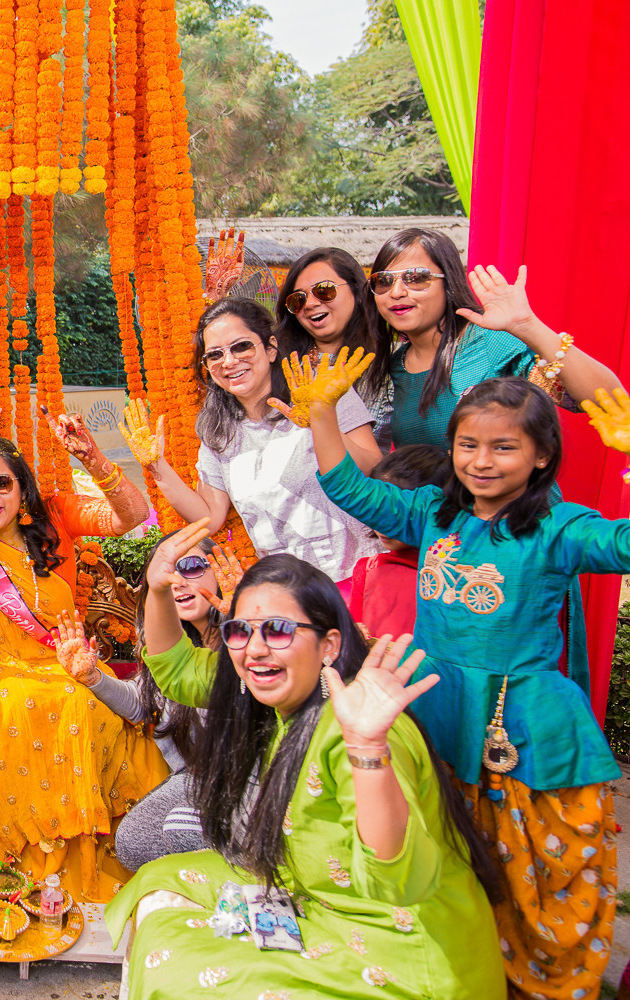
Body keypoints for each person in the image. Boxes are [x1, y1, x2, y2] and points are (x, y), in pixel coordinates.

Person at [310, 373, 630, 999]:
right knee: (457, 865)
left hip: (529, 736)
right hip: (443, 719)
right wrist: (322, 413)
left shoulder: (558, 528)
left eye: (503, 447)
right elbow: (349, 487)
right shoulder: (435, 513)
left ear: (542, 456)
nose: (481, 461)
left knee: (544, 879)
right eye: (468, 445)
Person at [104, 532, 506, 999]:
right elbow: (176, 669)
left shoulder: (361, 724)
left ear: (329, 645)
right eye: (240, 631)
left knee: (179, 973)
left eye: (278, 630)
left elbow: (398, 882)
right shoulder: (264, 688)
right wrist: (156, 590)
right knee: (158, 883)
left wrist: (368, 748)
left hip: (399, 950)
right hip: (313, 895)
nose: (256, 649)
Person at [0, 427, 168, 903]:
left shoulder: (57, 516)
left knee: (85, 698)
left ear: (23, 490)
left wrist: (94, 458)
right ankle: (20, 854)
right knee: (20, 702)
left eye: (1, 483)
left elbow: (134, 516)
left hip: (62, 657)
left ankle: (86, 850)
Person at [122, 296, 381, 593]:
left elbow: (373, 468)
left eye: (241, 346)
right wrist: (156, 466)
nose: (229, 361)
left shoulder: (320, 392)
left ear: (270, 348)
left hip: (360, 577)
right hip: (287, 592)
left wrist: (321, 422)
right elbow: (209, 518)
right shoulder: (219, 431)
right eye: (215, 355)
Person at [371, 228, 621, 449]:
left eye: (416, 278)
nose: (396, 292)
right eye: (383, 281)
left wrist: (529, 326)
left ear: (449, 283)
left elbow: (608, 401)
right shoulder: (395, 365)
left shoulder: (490, 343)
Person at [75, 534, 236, 873]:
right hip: (196, 778)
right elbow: (142, 702)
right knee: (133, 843)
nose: (178, 581)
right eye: (165, 575)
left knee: (183, 830)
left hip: (252, 777)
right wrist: (92, 677)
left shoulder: (253, 639)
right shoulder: (172, 647)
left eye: (190, 566)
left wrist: (244, 629)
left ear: (222, 570)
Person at [275, 246, 394, 446]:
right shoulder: (280, 361)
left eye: (323, 291)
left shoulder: (391, 359)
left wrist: (321, 423)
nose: (310, 304)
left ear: (356, 290)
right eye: (298, 299)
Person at [346, 445, 451, 640]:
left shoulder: (454, 572)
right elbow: (355, 632)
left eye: (395, 515)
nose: (382, 525)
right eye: (377, 512)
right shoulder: (368, 569)